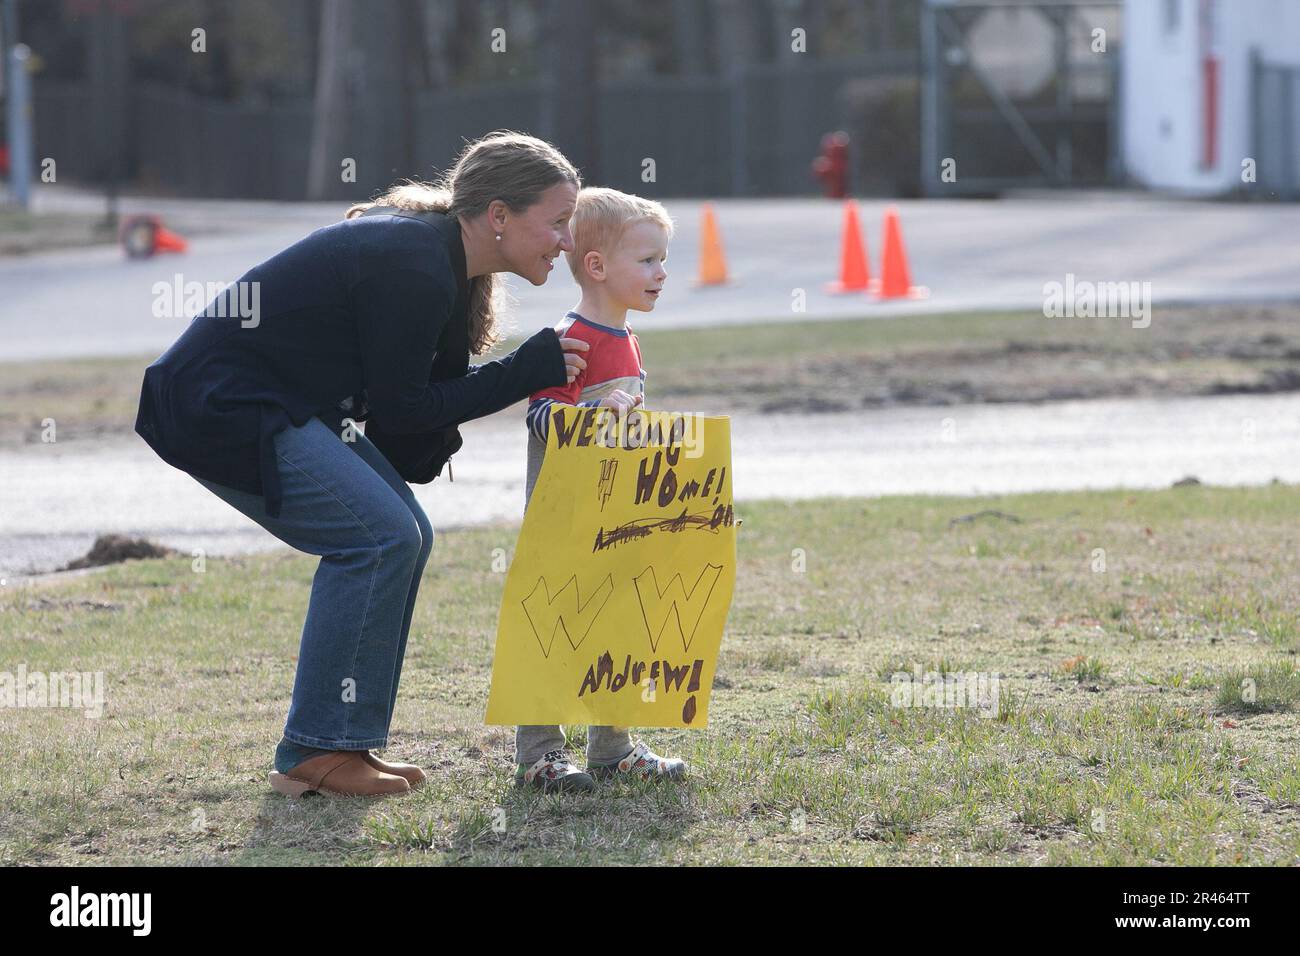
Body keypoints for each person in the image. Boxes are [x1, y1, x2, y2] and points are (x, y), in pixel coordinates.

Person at [133, 131, 593, 798]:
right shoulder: (414, 263)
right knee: (379, 538)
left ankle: (344, 745)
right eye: (557, 221)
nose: (567, 240)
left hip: (284, 401)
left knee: (406, 535)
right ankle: (314, 752)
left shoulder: (437, 262)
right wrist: (525, 372)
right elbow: (406, 411)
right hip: (223, 405)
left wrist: (498, 384)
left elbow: (404, 417)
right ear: (498, 216)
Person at [515, 187, 688, 793]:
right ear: (596, 267)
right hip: (562, 521)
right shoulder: (571, 339)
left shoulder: (629, 338)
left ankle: (612, 750)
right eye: (647, 260)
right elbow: (538, 416)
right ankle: (538, 754)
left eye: (662, 259)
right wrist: (594, 419)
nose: (661, 272)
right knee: (553, 629)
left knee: (621, 626)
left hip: (616, 518)